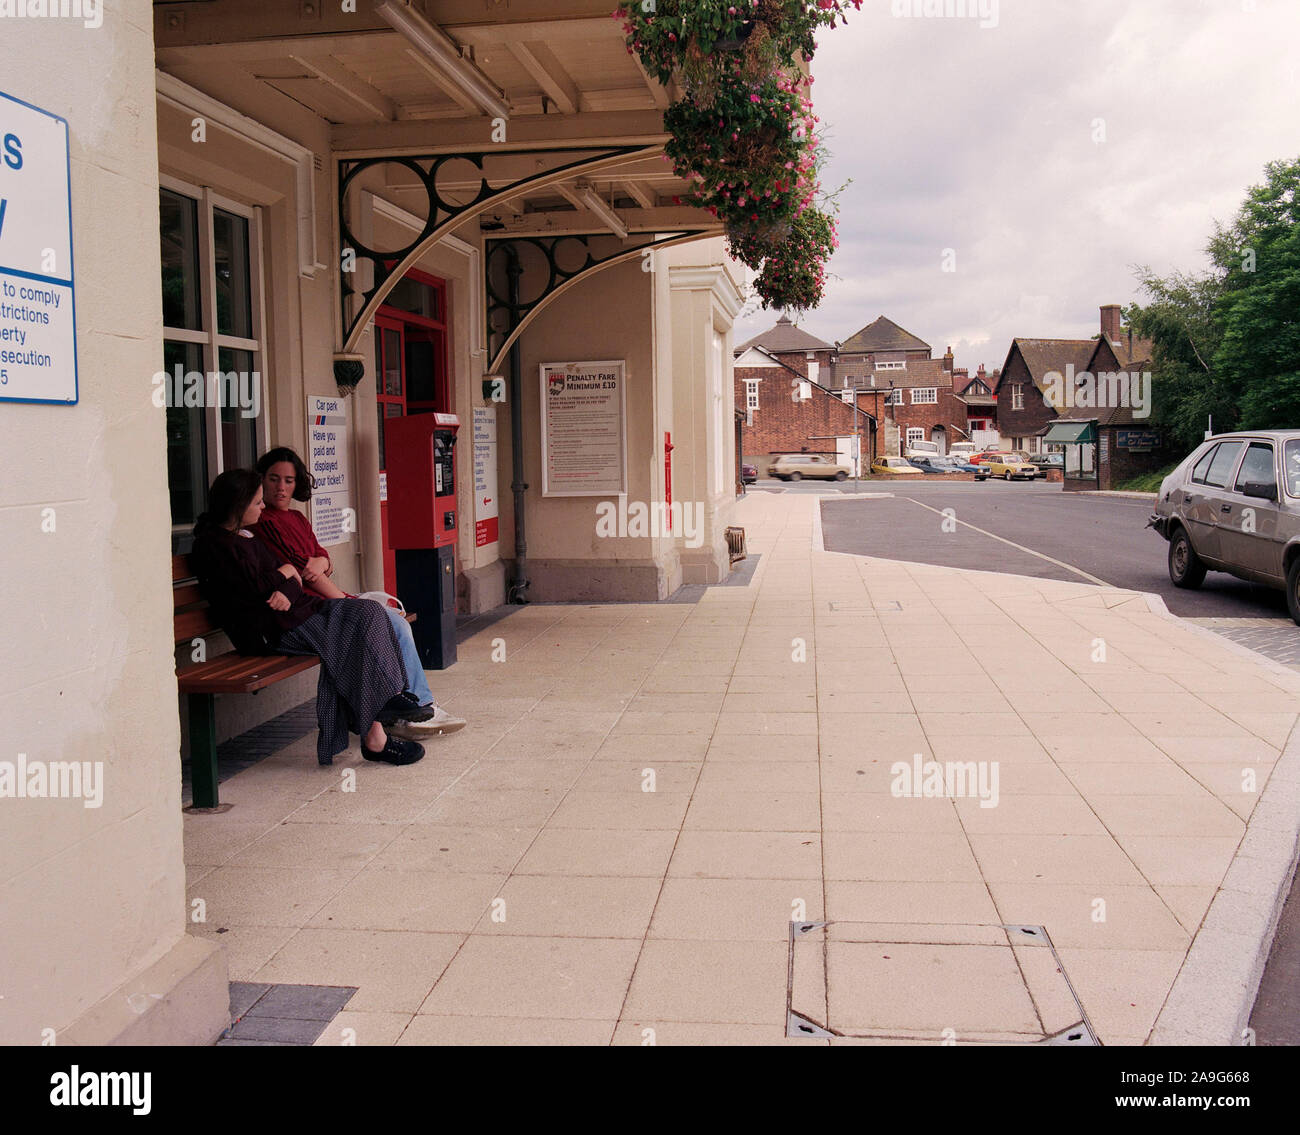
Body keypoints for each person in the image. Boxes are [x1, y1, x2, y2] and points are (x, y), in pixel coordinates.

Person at [190, 469, 431, 767]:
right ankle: (380, 721)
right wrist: (284, 575)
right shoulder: (213, 545)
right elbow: (251, 589)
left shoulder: (247, 535)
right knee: (352, 634)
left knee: (369, 611)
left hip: (295, 613)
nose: (263, 507)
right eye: (256, 502)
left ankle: (386, 706)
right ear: (237, 505)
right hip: (268, 630)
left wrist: (286, 583)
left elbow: (290, 574)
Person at [251, 446, 465, 737]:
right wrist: (348, 601)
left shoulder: (297, 518)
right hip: (308, 613)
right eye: (274, 479)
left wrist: (323, 562)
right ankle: (417, 708)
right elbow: (306, 573)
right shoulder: (263, 522)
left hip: (325, 604)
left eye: (288, 480)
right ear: (261, 480)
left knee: (395, 621)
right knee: (393, 624)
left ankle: (412, 707)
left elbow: (320, 558)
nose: (281, 487)